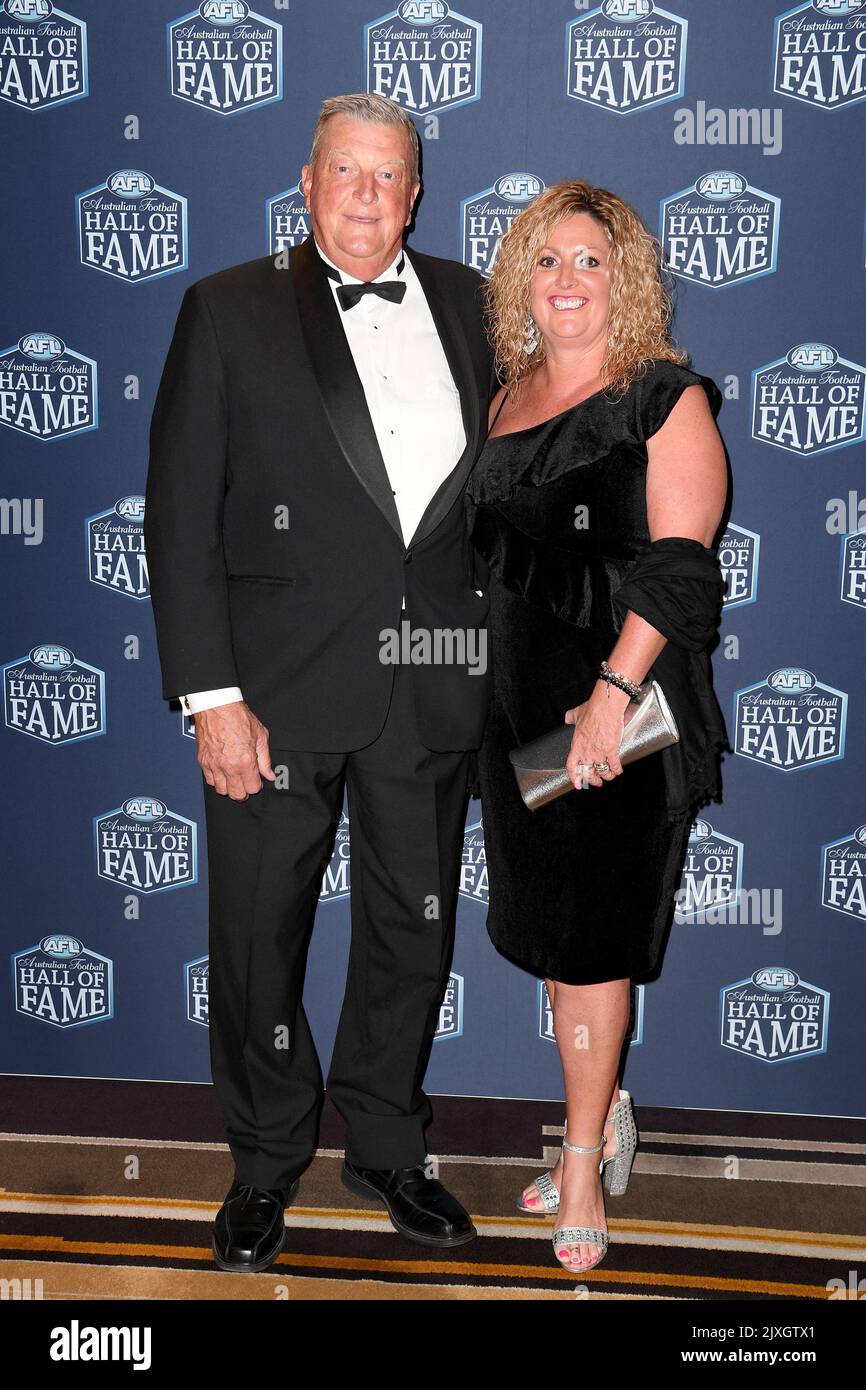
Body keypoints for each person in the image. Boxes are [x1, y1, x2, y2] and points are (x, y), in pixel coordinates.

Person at [144, 93, 493, 1272]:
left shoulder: (471, 307)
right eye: (344, 172)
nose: (365, 196)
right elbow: (180, 517)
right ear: (305, 184)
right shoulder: (227, 310)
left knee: (412, 925)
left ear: (415, 193)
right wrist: (210, 697)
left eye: (388, 177)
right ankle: (262, 1160)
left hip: (428, 680)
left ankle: (389, 1142)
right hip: (273, 694)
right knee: (256, 938)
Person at [466, 181, 729, 1273]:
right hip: (518, 707)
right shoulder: (506, 396)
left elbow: (678, 569)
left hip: (616, 715)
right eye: (546, 259)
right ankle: (602, 1110)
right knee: (554, 937)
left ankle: (579, 1160)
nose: (566, 279)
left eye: (589, 259)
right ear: (519, 279)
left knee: (588, 945)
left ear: (624, 278)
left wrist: (608, 702)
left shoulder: (660, 399)